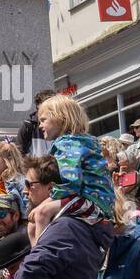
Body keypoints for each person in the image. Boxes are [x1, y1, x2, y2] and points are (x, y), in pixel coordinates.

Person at [28, 96, 115, 244]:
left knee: (41, 213)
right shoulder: (81, 141)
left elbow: (71, 184)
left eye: (43, 120)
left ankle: (40, 258)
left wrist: (44, 203)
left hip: (91, 201)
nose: (40, 125)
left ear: (61, 118)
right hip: (99, 202)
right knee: (32, 226)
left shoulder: (67, 144)